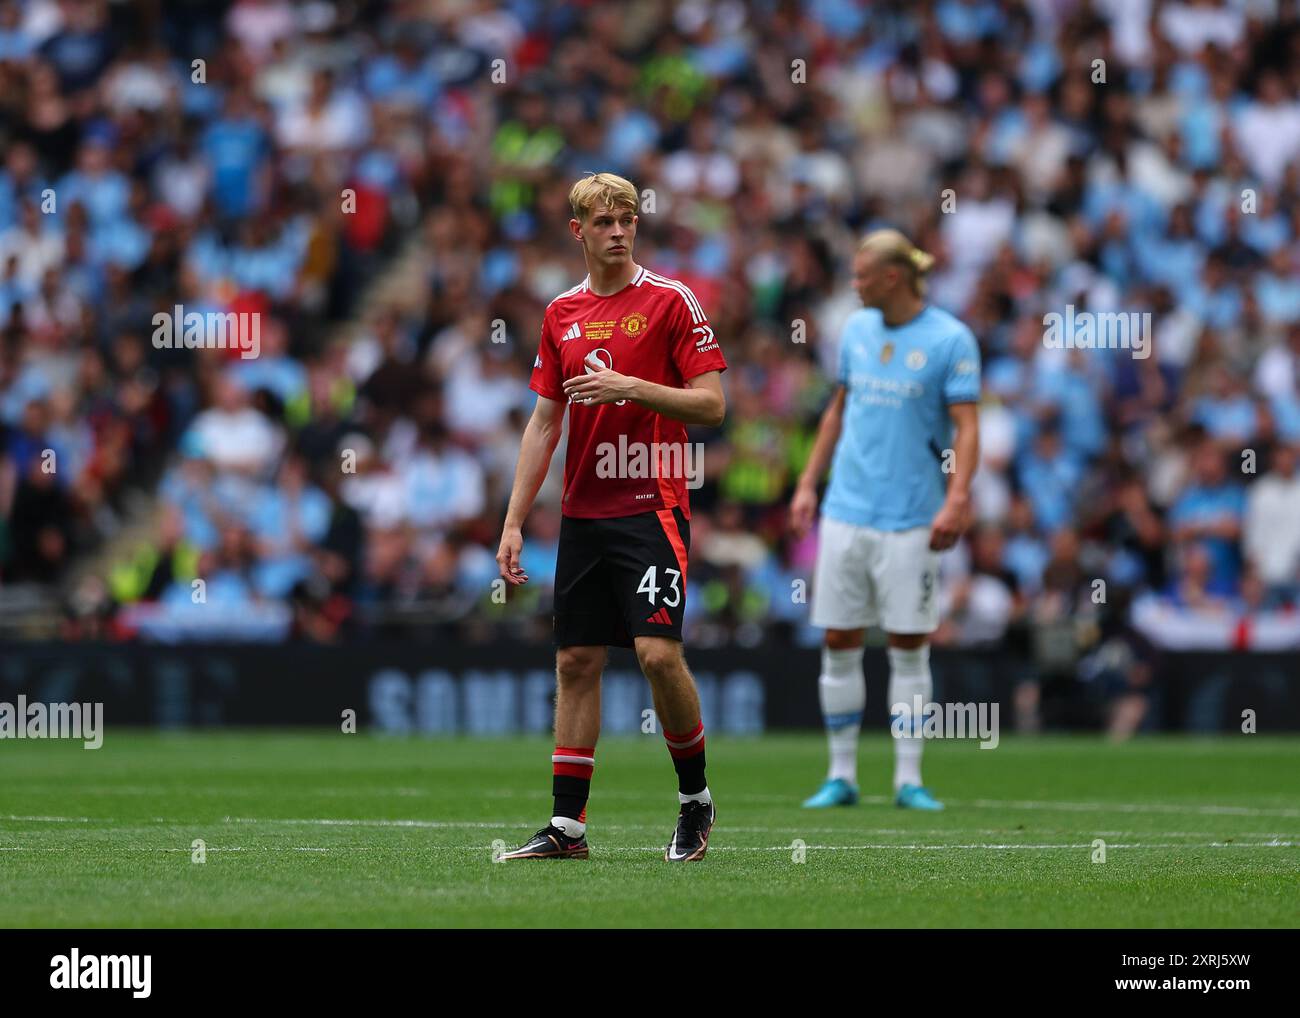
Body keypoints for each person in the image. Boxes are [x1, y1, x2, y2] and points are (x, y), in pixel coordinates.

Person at [495, 172, 727, 860]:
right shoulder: (560, 312)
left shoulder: (671, 302)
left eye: (627, 219)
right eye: (603, 222)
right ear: (579, 232)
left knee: (657, 654)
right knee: (575, 661)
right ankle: (568, 828)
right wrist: (512, 522)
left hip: (651, 505)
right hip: (582, 515)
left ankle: (696, 801)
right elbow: (544, 423)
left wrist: (632, 387)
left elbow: (713, 405)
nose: (619, 231)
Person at [790, 229, 981, 810]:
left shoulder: (950, 339)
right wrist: (806, 483)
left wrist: (958, 497)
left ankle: (908, 779)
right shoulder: (855, 330)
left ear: (892, 277)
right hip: (847, 508)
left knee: (908, 642)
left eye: (862, 275)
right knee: (838, 639)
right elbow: (837, 412)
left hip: (911, 517)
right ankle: (841, 774)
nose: (854, 284)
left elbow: (968, 426)